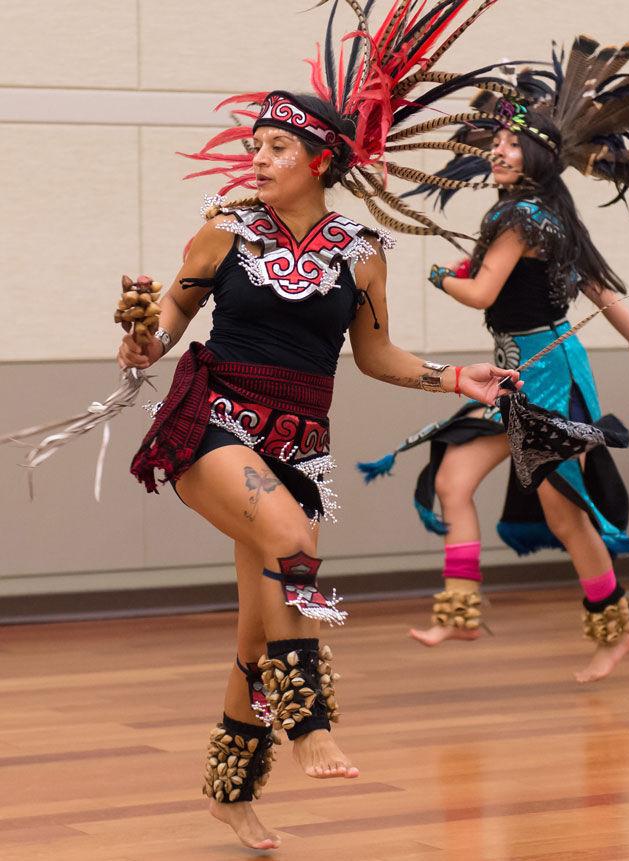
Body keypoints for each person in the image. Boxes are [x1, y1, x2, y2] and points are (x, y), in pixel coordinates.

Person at [118, 1, 523, 850]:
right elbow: (161, 333)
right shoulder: (222, 233)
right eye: (254, 145)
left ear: (320, 160)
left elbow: (373, 355)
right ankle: (313, 726)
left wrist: (456, 376)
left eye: (274, 147)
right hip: (210, 425)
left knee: (257, 626)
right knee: (292, 535)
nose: (254, 157)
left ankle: (230, 788)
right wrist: (137, 335)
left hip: (297, 443)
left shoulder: (359, 249)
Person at [358, 36, 629, 684]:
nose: (497, 152)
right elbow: (604, 294)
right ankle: (461, 608)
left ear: (536, 152)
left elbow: (480, 291)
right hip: (514, 373)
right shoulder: (548, 217)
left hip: (546, 377)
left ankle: (614, 626)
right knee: (455, 479)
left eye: (510, 144)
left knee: (565, 511)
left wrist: (439, 276)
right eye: (495, 144)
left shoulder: (517, 219)